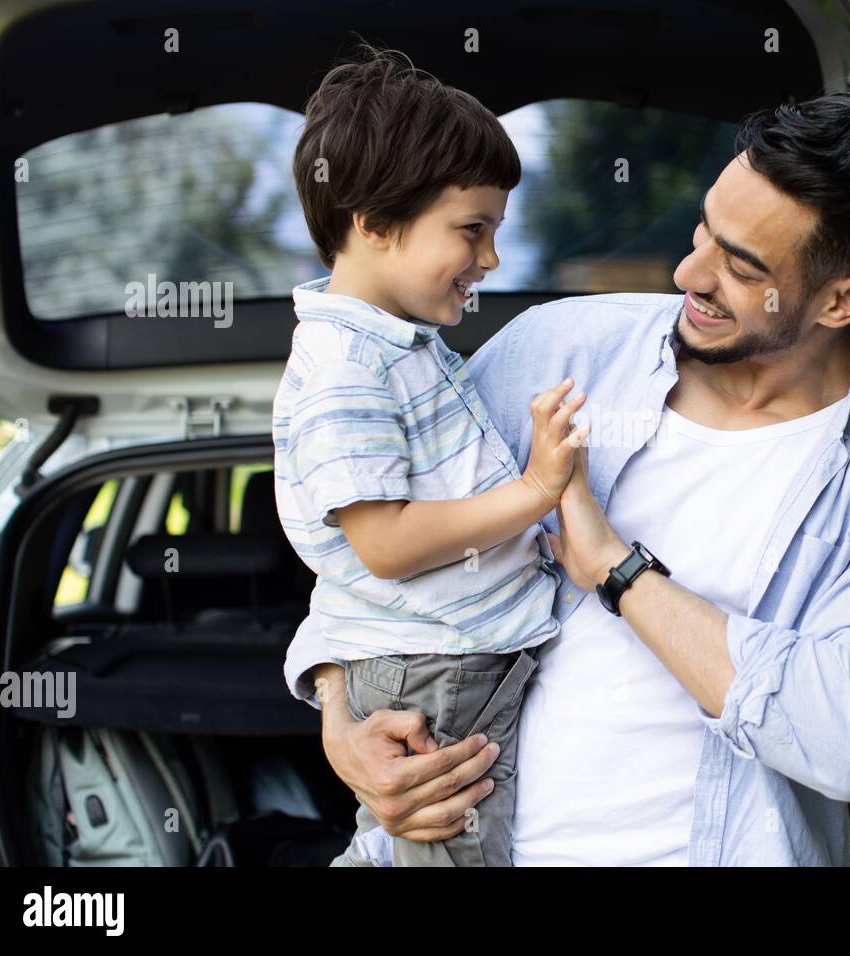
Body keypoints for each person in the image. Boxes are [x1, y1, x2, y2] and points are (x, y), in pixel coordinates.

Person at [285, 90, 850, 865]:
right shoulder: (556, 349)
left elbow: (847, 736)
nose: (690, 273)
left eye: (741, 267)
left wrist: (618, 571)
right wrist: (340, 717)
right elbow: (380, 541)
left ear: (843, 300)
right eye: (702, 233)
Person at [273, 45, 587, 867]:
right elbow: (385, 543)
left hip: (442, 665)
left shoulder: (405, 349)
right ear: (374, 223)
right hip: (432, 679)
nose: (489, 260)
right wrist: (535, 492)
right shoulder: (348, 368)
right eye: (472, 230)